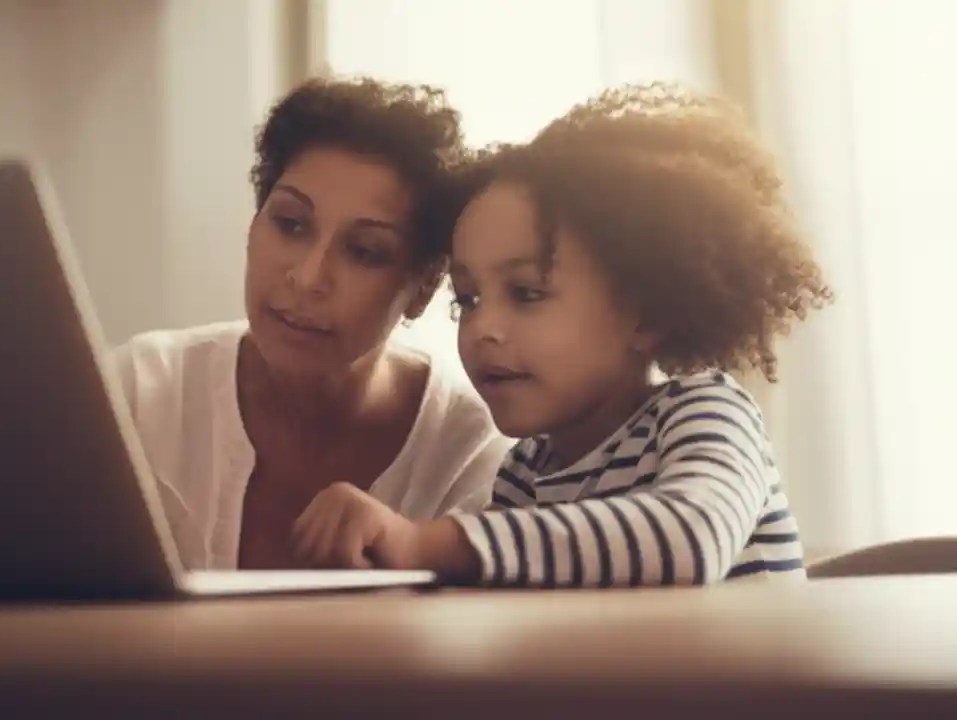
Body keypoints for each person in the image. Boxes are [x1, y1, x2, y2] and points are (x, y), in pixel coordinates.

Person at [291, 82, 833, 587]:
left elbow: (691, 536)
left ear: (643, 312)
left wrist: (424, 542)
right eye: (469, 299)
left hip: (758, 693)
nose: (483, 329)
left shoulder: (702, 412)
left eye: (526, 293)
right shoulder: (526, 470)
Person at [114, 78, 510, 571]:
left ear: (424, 287)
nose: (307, 277)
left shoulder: (471, 456)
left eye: (364, 251)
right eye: (290, 223)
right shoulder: (135, 392)